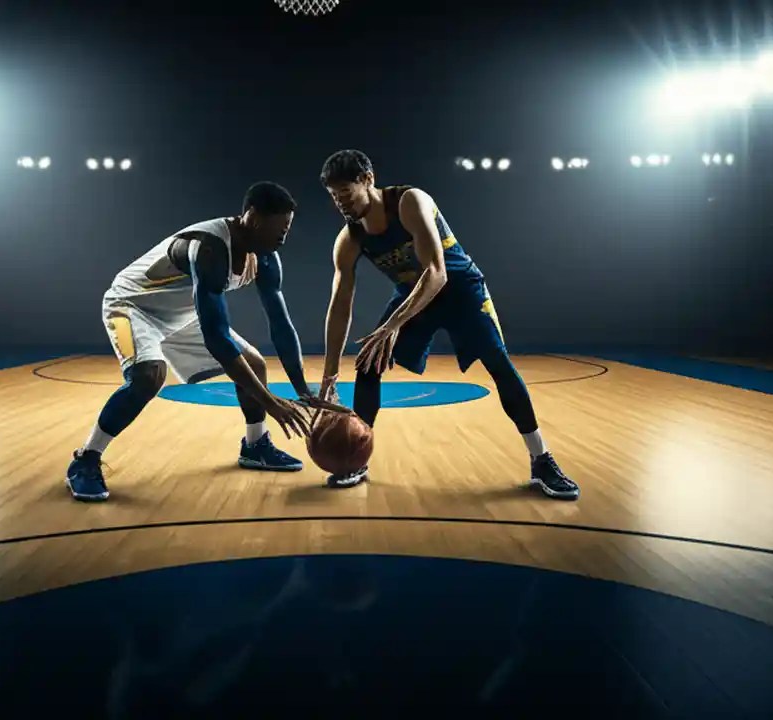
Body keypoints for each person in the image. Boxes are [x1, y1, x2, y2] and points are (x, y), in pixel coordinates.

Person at [315, 149, 579, 499]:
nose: (341, 205)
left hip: (461, 290)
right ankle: (357, 457)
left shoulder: (410, 201)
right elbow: (339, 306)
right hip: (413, 297)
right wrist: (329, 376)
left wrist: (392, 326)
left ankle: (541, 459)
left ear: (368, 180)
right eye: (334, 198)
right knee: (368, 363)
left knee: (499, 365)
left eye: (345, 194)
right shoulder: (349, 240)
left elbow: (436, 274)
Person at [66, 181, 342, 501]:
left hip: (181, 316)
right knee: (148, 375)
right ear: (252, 217)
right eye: (278, 227)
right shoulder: (210, 247)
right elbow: (216, 337)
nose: (283, 236)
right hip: (132, 305)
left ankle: (255, 446)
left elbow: (280, 324)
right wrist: (269, 402)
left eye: (288, 228)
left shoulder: (265, 259)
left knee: (253, 362)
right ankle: (85, 459)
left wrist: (302, 390)